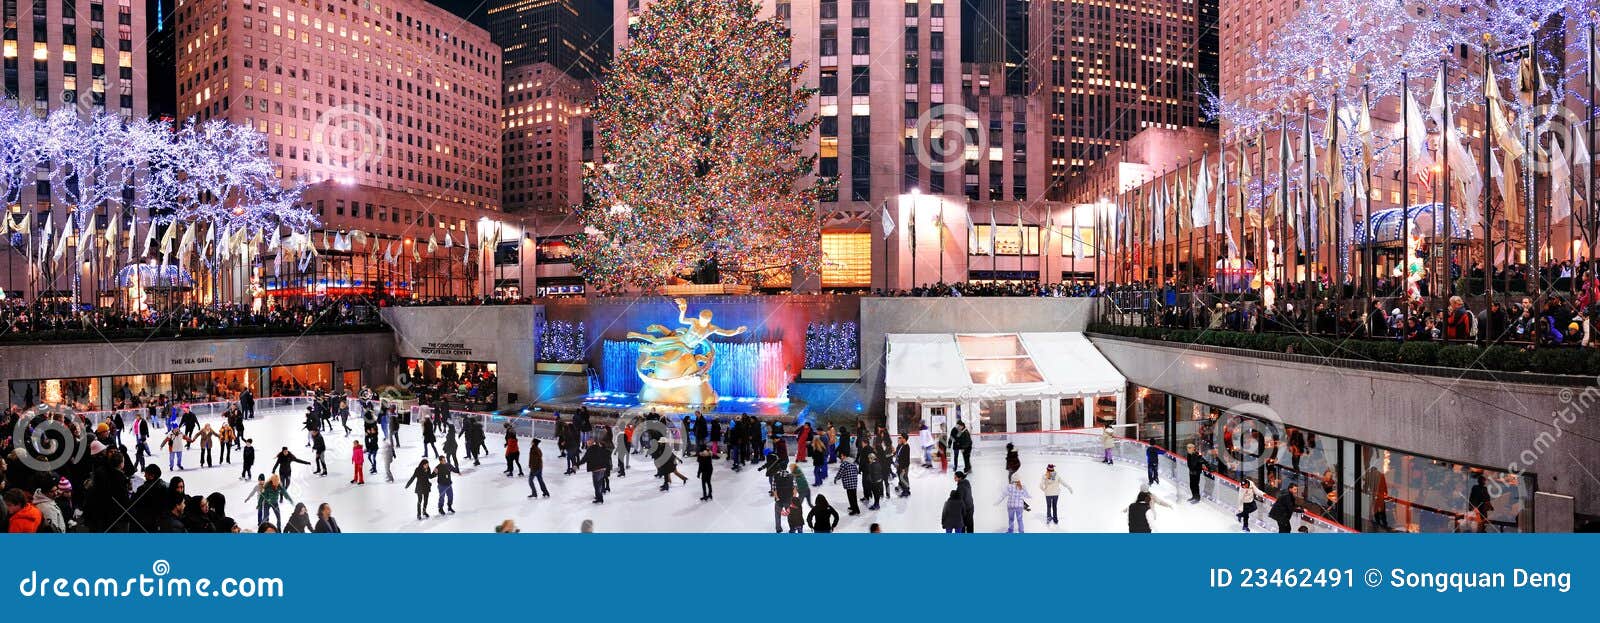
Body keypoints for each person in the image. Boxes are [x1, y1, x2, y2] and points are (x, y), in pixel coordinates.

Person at [581, 439, 611, 503]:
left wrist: (577, 464)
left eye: (588, 443)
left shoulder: (590, 449)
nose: (587, 444)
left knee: (596, 485)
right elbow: (606, 456)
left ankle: (599, 498)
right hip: (602, 469)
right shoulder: (599, 448)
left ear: (591, 443)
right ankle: (600, 497)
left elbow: (584, 459)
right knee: (599, 484)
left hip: (596, 470)